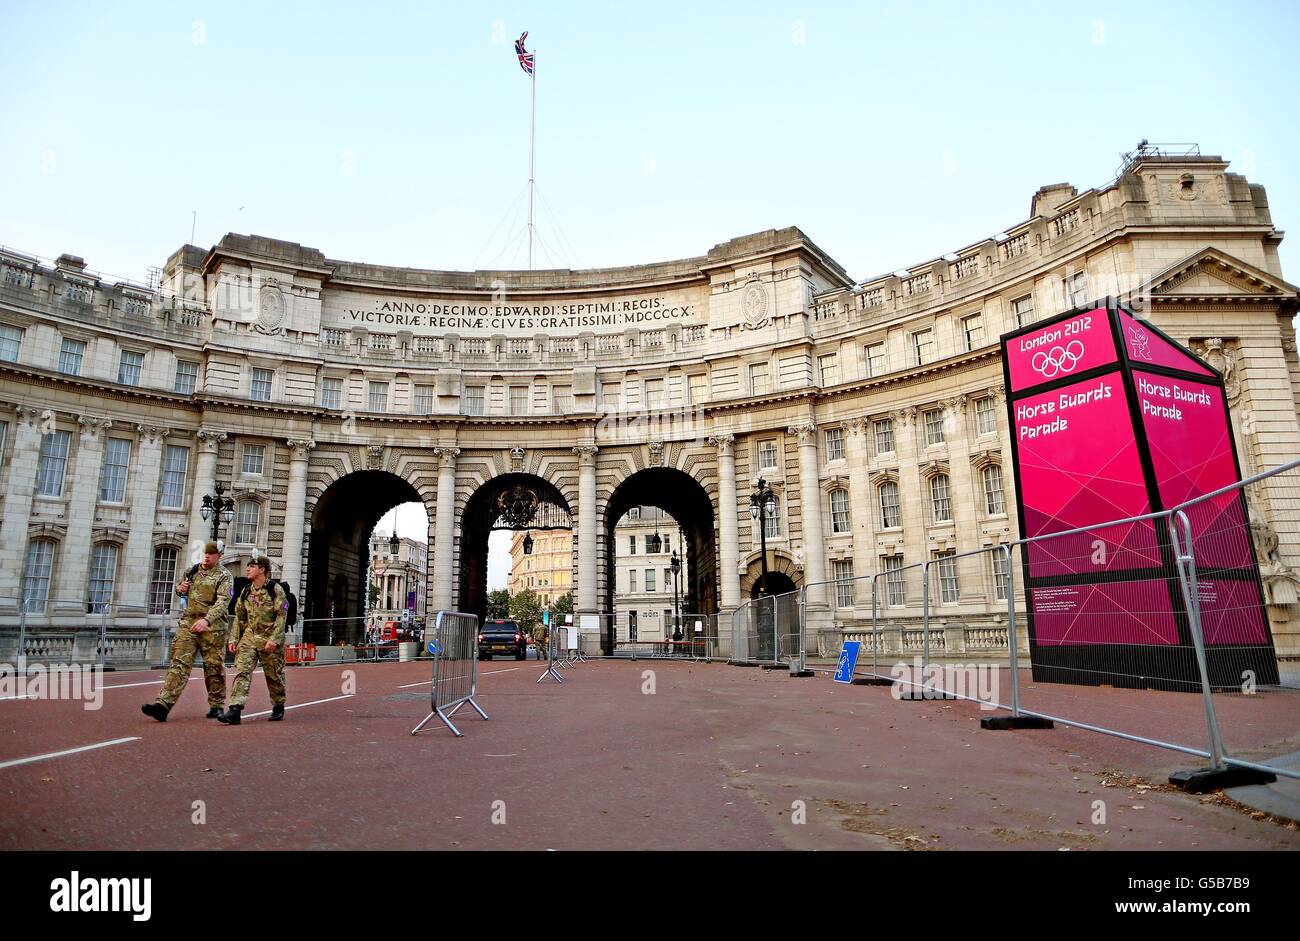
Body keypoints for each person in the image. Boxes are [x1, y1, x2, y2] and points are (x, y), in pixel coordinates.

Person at [142, 542, 233, 722]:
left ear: (219, 556)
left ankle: (216, 704)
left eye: (211, 554)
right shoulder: (192, 571)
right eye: (205, 553)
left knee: (213, 667)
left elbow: (223, 602)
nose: (207, 556)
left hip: (212, 627)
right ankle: (163, 704)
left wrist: (206, 619)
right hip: (189, 623)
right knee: (179, 663)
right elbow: (179, 588)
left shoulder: (224, 576)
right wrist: (180, 588)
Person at [218, 557, 287, 725]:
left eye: (252, 566)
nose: (247, 569)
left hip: (269, 637)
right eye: (247, 566)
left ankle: (278, 704)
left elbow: (281, 617)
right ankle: (235, 709)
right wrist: (234, 638)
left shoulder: (275, 590)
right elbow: (239, 616)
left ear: (262, 569)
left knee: (274, 676)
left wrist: (274, 640)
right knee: (242, 671)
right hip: (250, 637)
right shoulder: (246, 591)